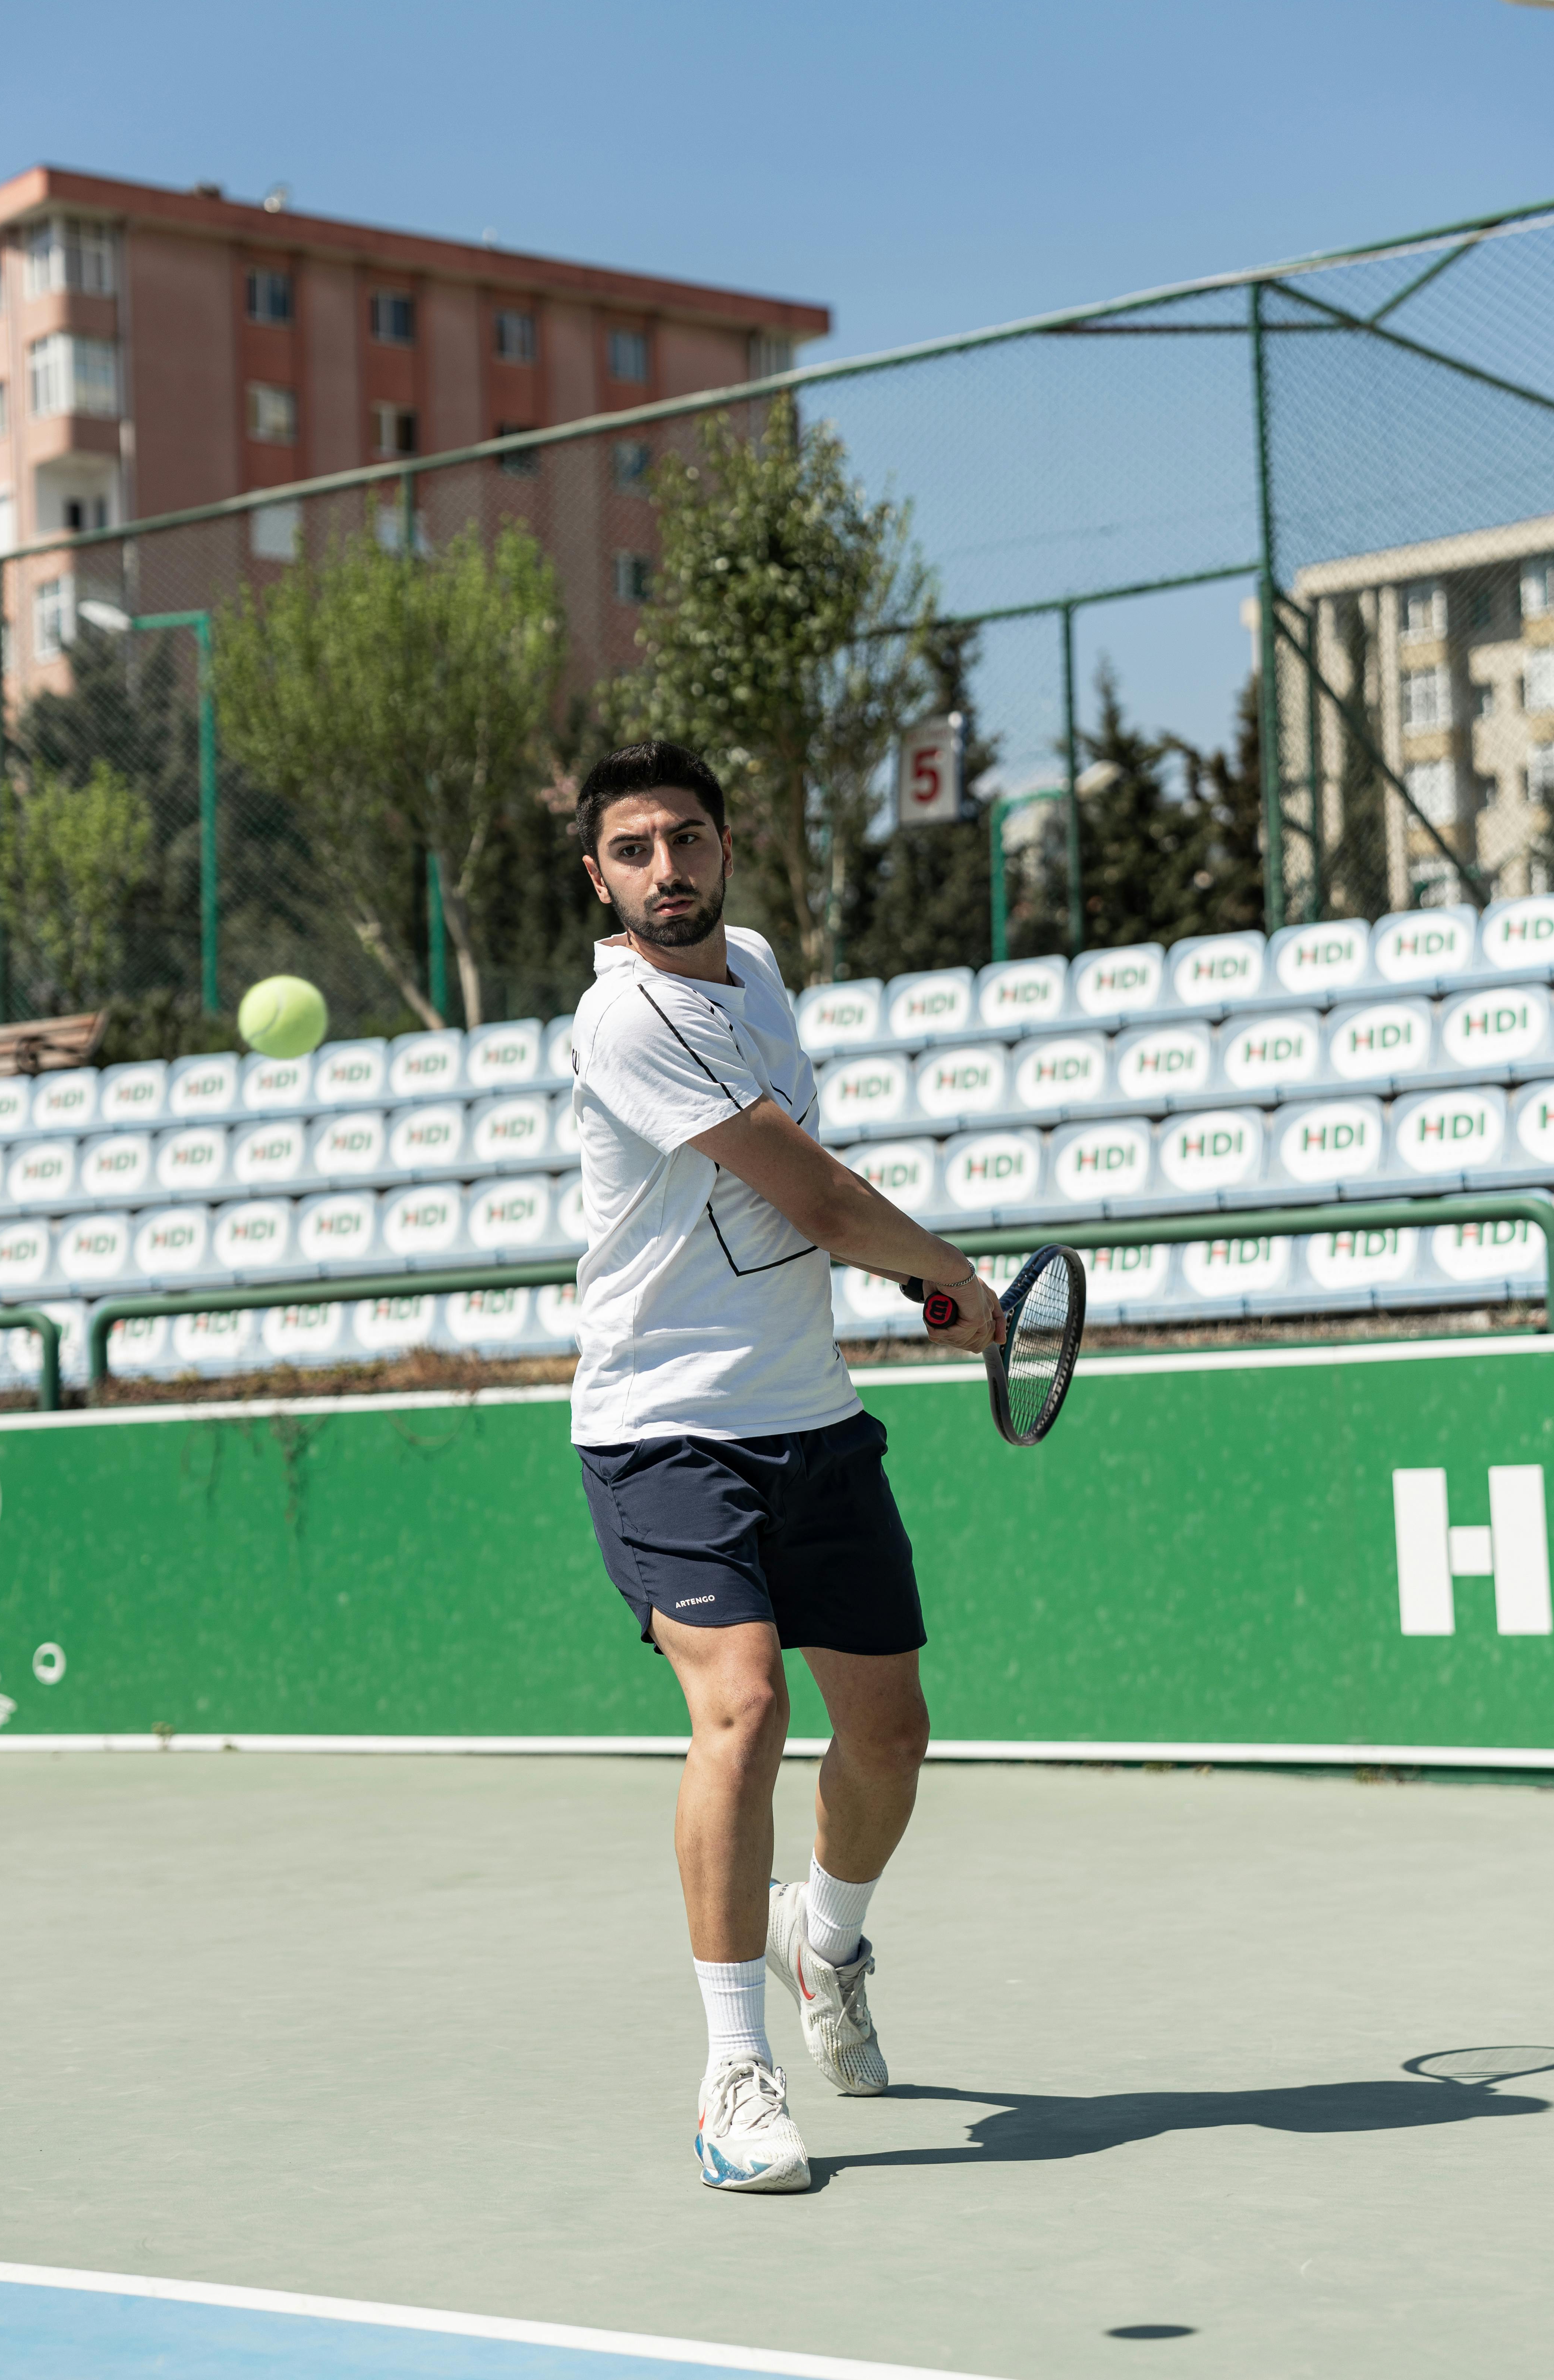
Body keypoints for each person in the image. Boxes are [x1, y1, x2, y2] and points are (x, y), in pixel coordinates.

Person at [569, 739, 1003, 2194]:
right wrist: (958, 1279)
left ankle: (825, 1943)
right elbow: (812, 1193)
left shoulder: (752, 966)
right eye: (636, 850)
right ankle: (733, 2072)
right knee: (742, 1709)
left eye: (686, 839)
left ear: (725, 845)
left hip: (812, 1420)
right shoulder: (620, 1018)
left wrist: (889, 1281)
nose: (667, 870)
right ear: (601, 878)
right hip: (663, 1428)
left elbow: (790, 1183)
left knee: (891, 1738)